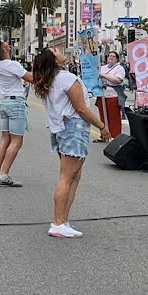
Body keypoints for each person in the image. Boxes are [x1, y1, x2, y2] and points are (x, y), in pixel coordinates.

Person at [31, 47, 107, 238]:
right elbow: (81, 108)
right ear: (55, 61)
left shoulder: (51, 79)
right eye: (56, 51)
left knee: (73, 176)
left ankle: (63, 220)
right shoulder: (65, 78)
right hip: (73, 129)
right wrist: (101, 126)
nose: (60, 51)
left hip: (60, 129)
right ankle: (57, 222)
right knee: (67, 177)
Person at [0, 38, 33, 187]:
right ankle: (4, 175)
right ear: (4, 49)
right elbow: (31, 78)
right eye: (4, 43)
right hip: (16, 103)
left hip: (5, 102)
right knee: (16, 141)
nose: (6, 43)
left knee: (5, 139)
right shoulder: (13, 65)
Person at [97, 50, 127, 143]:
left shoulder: (119, 68)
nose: (111, 58)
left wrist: (105, 76)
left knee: (114, 117)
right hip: (102, 94)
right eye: (110, 56)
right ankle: (104, 135)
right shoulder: (102, 67)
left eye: (114, 56)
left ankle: (115, 135)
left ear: (117, 59)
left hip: (113, 94)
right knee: (102, 116)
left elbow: (117, 80)